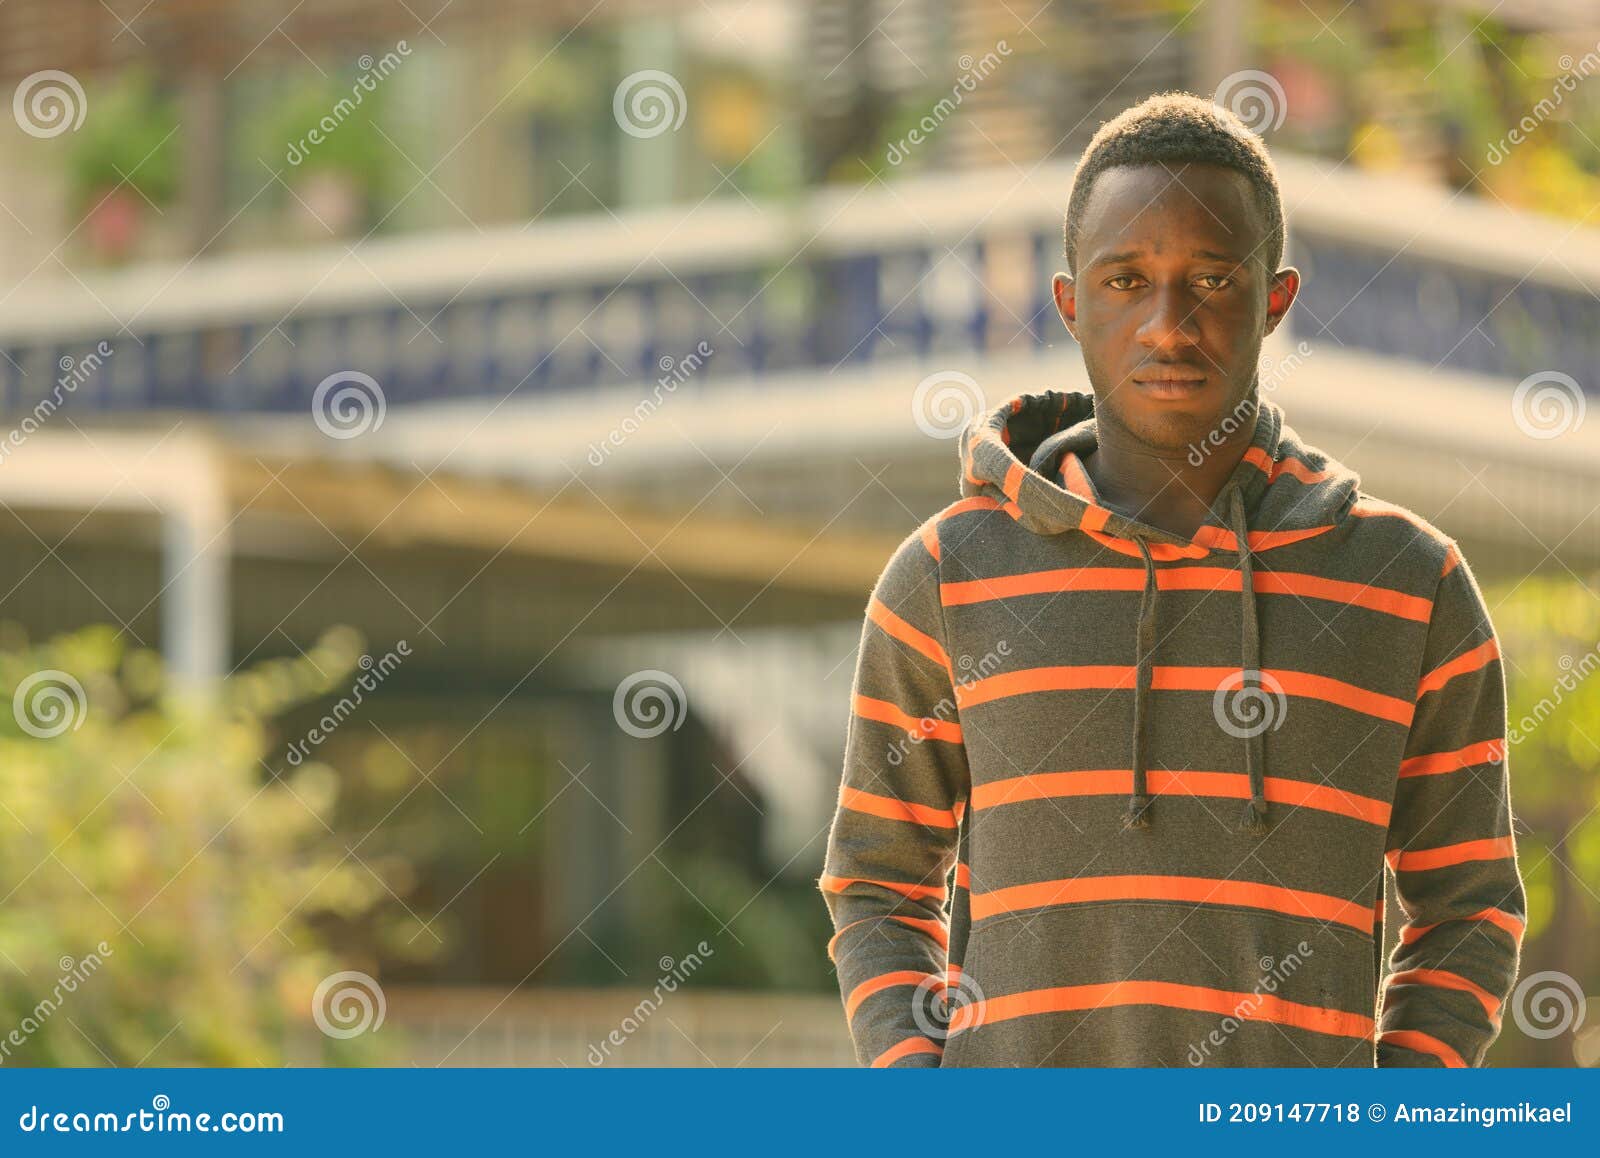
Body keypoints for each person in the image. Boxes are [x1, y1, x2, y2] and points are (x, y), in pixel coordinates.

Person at [819, 91, 1525, 1067]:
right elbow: (876, 885)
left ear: (1274, 300)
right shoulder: (946, 576)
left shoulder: (1410, 587)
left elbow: (1469, 907)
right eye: (1125, 280)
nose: (1168, 325)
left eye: (1211, 279)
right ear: (1070, 302)